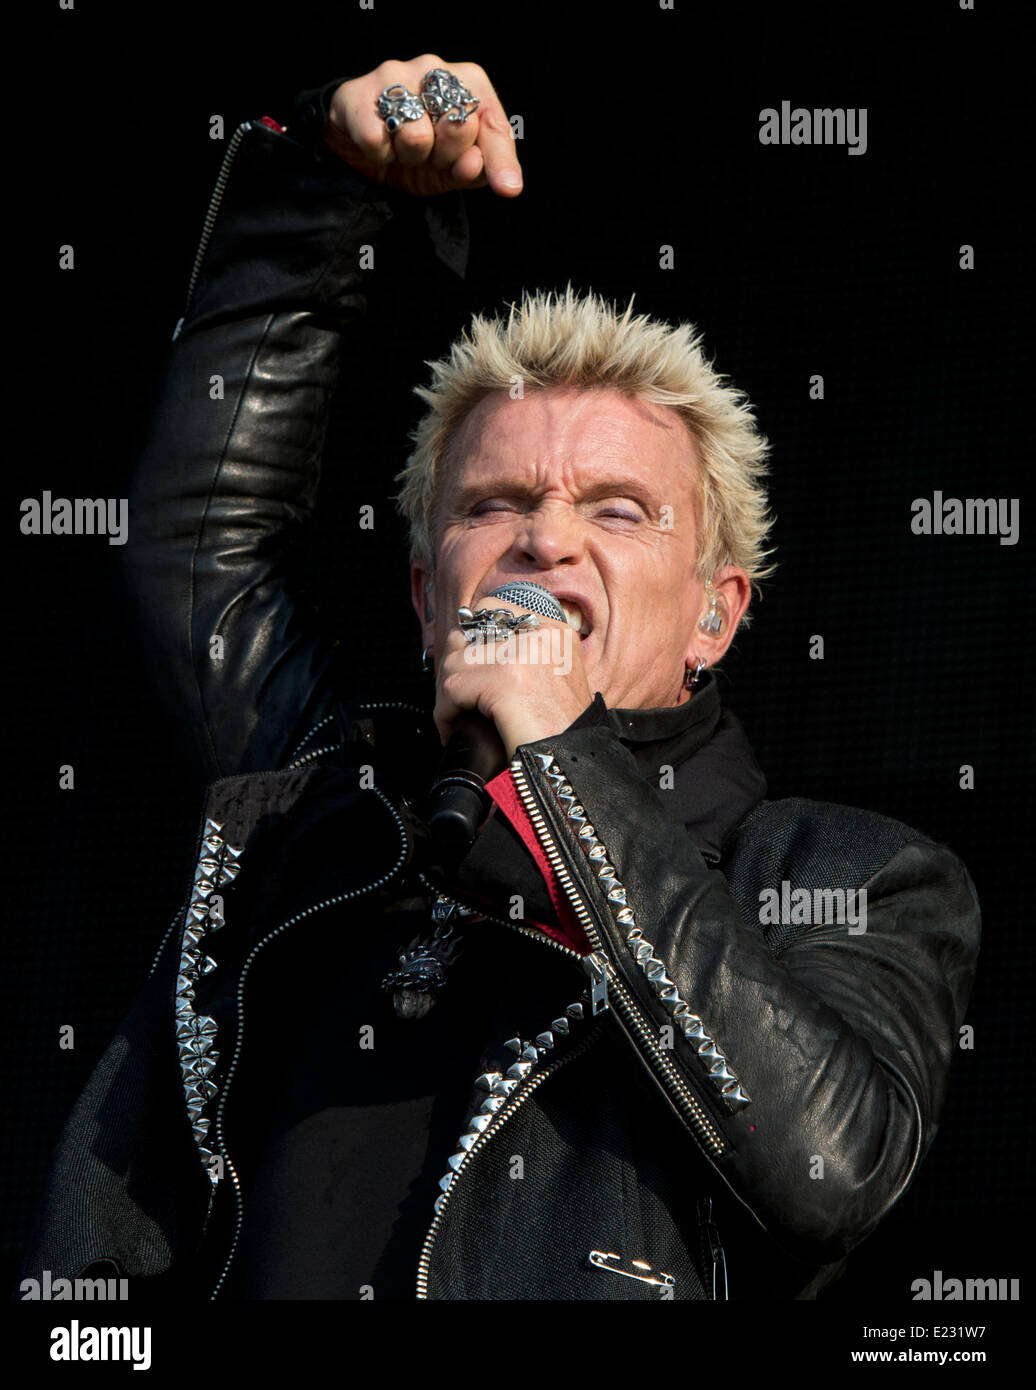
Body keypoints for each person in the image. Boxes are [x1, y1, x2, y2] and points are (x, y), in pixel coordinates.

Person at [20, 56, 980, 1302]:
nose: (547, 538)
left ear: (715, 615)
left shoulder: (843, 877)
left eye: (619, 510)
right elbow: (195, 550)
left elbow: (831, 1164)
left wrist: (559, 753)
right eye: (496, 503)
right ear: (429, 597)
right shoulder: (331, 804)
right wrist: (321, 187)